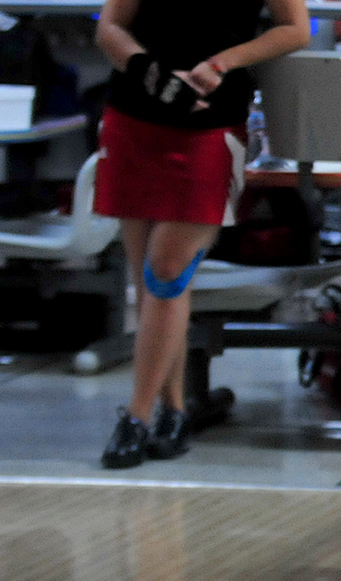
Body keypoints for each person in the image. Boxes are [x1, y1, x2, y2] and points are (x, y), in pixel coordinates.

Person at [94, 0, 309, 468]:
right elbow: (110, 27)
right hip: (133, 119)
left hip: (210, 126)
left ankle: (135, 415)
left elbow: (295, 29)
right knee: (149, 281)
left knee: (166, 273)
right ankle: (173, 411)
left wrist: (223, 62)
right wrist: (148, 71)